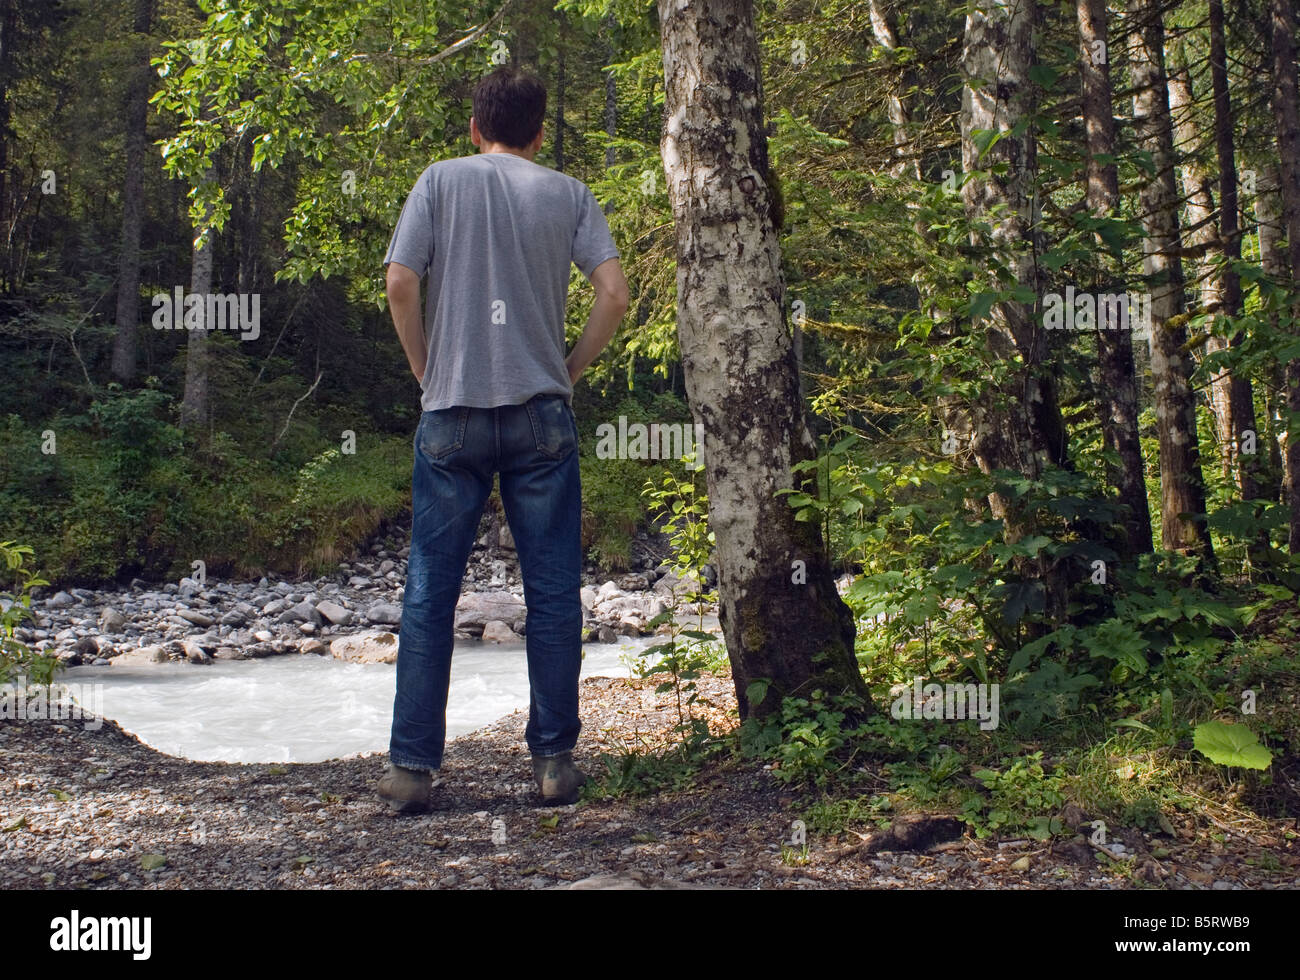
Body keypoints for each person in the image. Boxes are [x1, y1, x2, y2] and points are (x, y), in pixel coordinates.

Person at [377, 67, 628, 813]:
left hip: (451, 409)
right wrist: (570, 366)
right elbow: (613, 294)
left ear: (474, 126)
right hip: (539, 411)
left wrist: (427, 370)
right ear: (540, 131)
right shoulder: (568, 193)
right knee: (552, 591)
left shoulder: (439, 180)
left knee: (430, 591)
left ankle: (412, 771)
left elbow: (399, 282)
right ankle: (553, 763)